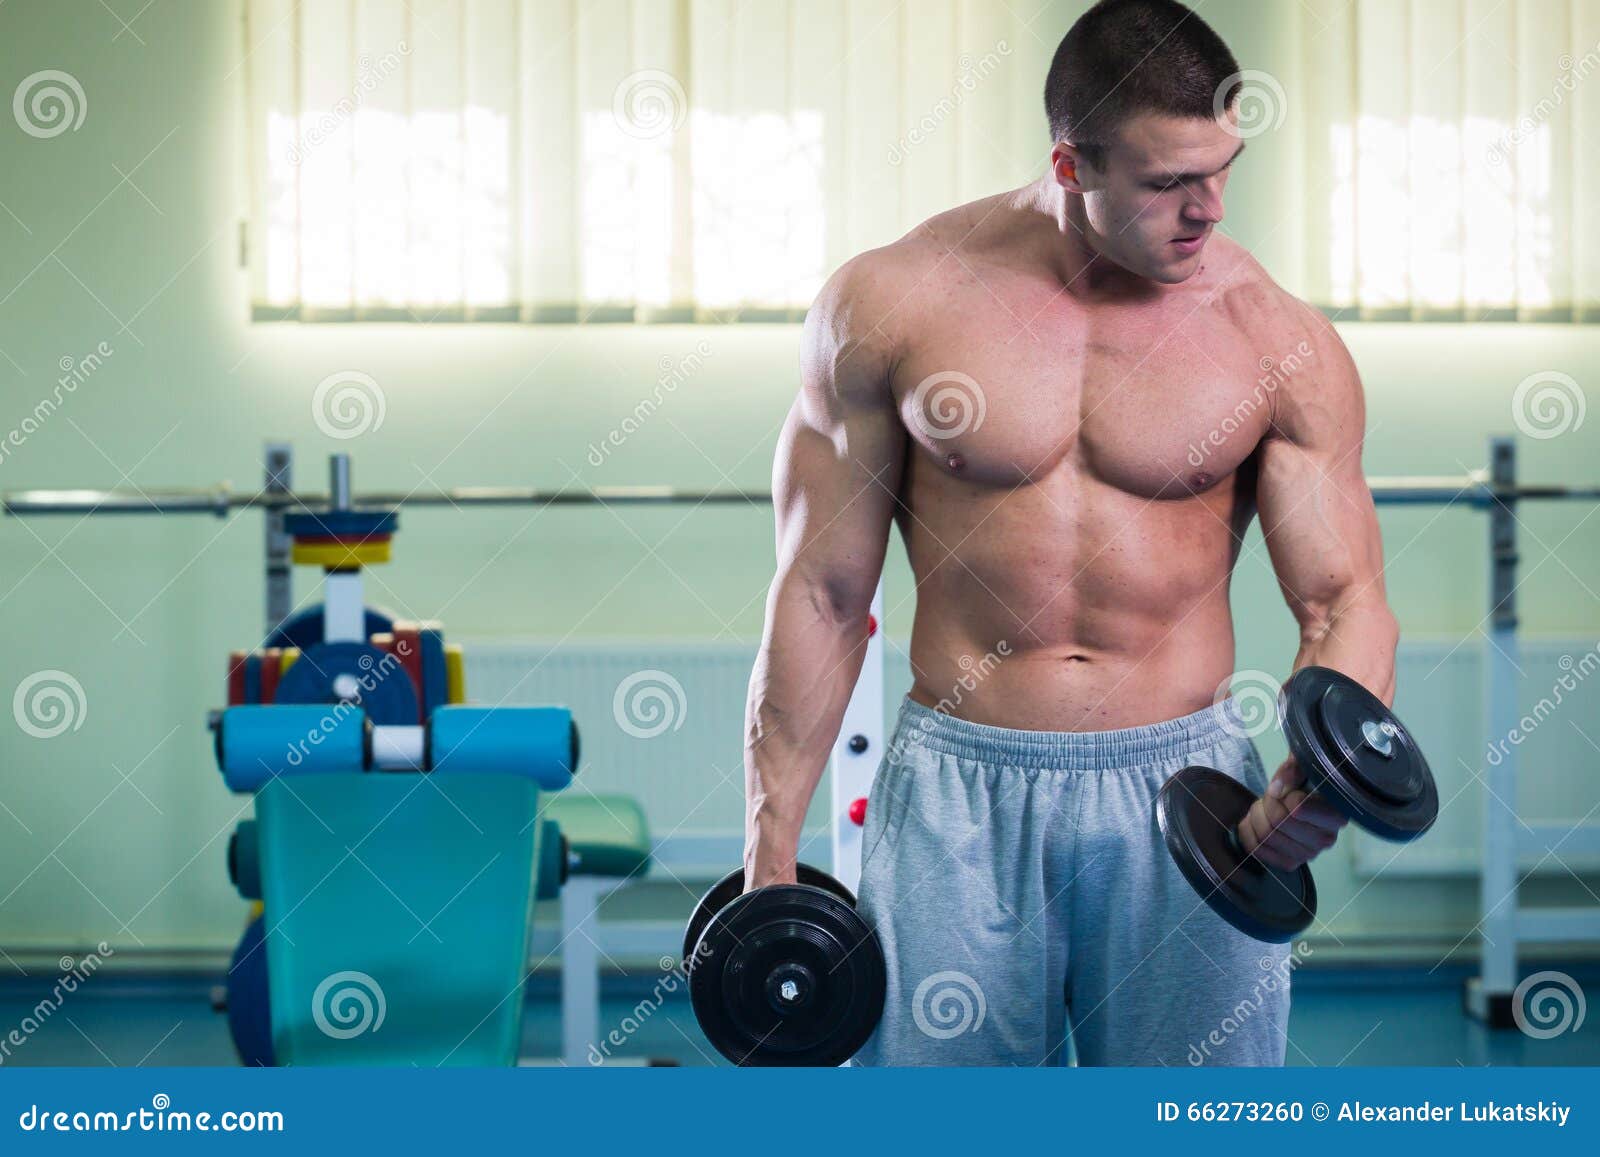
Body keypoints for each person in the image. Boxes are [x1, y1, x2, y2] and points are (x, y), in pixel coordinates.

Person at [742, 0, 1393, 1066]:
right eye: (1167, 183)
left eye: (1222, 169)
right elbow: (820, 592)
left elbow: (1344, 600)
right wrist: (770, 848)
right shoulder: (896, 303)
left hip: (1188, 797)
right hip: (960, 788)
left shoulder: (1271, 339)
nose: (1207, 209)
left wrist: (1320, 781)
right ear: (1070, 162)